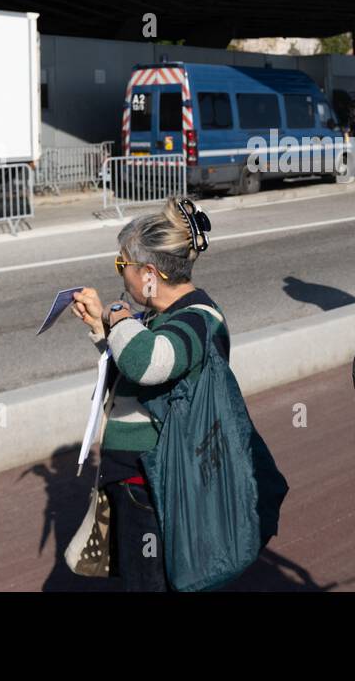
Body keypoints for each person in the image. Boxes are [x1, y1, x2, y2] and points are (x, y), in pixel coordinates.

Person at [71, 197, 227, 591]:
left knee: (151, 585)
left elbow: (147, 362)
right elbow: (134, 369)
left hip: (155, 484)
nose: (120, 275)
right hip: (138, 480)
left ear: (150, 274)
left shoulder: (197, 320)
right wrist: (102, 328)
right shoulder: (165, 317)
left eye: (122, 265)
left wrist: (119, 316)